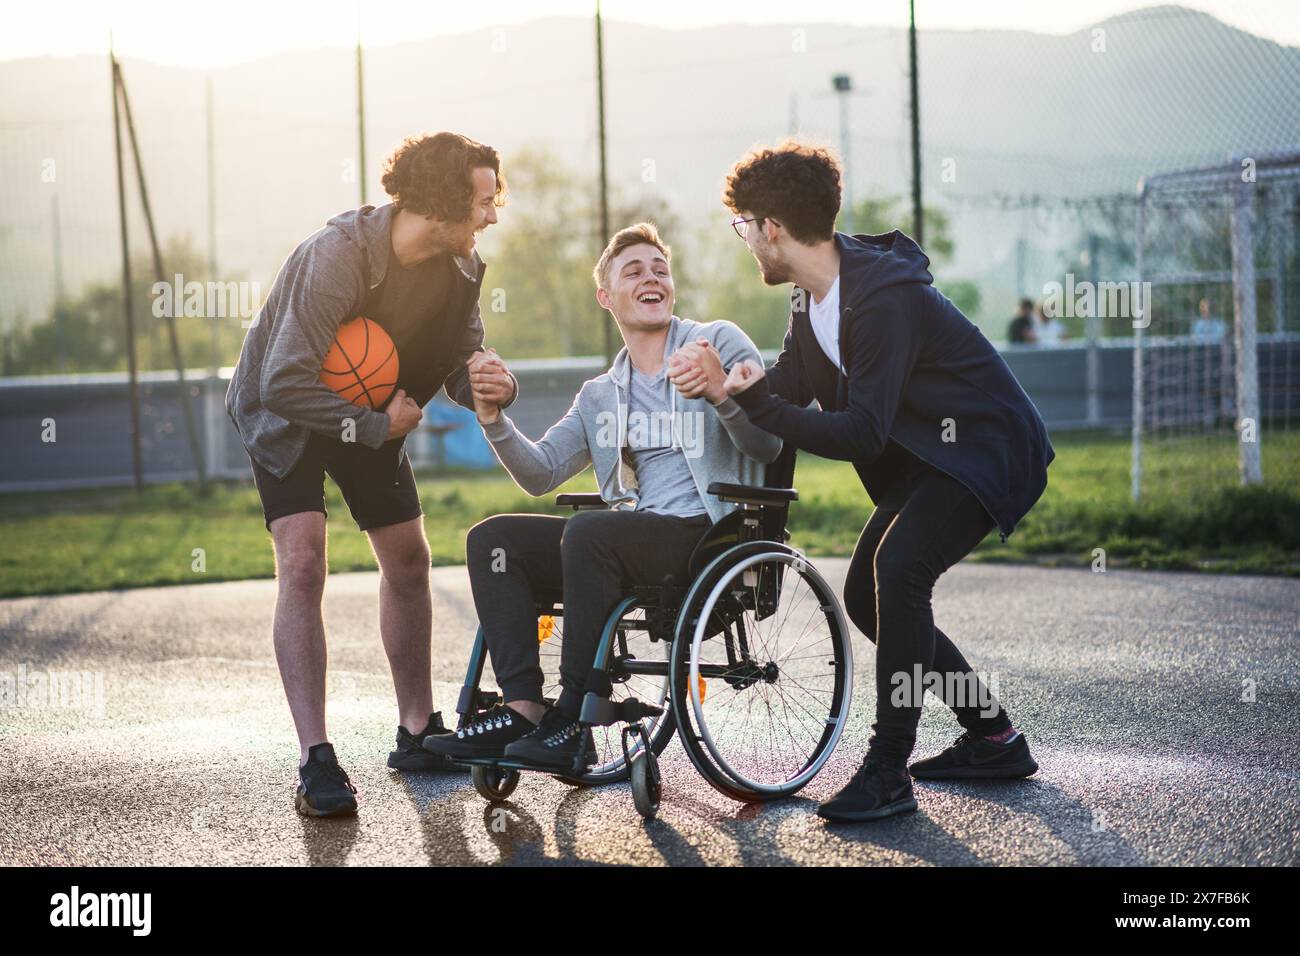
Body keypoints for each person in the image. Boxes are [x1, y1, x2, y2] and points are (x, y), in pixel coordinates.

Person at [670, 140, 1055, 822]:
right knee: (867, 598)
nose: (746, 242)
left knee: (901, 570)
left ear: (773, 229)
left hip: (985, 452)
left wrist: (758, 402)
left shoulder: (881, 301)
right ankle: (993, 737)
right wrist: (732, 387)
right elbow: (788, 388)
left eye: (744, 227)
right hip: (929, 462)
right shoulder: (809, 298)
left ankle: (886, 771)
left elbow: (861, 432)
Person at [225, 131, 518, 817]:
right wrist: (371, 425)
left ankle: (417, 729)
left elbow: (458, 359)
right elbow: (281, 382)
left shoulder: (463, 265)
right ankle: (316, 759)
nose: (491, 216)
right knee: (302, 563)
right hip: (290, 414)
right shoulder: (337, 258)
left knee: (409, 560)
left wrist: (485, 381)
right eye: (482, 202)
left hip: (375, 408)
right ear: (444, 204)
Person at [422, 222, 781, 771]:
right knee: (493, 539)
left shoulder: (716, 342)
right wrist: (492, 419)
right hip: (632, 537)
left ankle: (572, 714)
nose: (651, 278)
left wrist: (719, 394)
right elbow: (540, 473)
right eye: (633, 271)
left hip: (710, 535)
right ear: (605, 297)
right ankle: (523, 707)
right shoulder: (599, 394)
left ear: (672, 290)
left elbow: (769, 444)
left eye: (660, 270)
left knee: (592, 530)